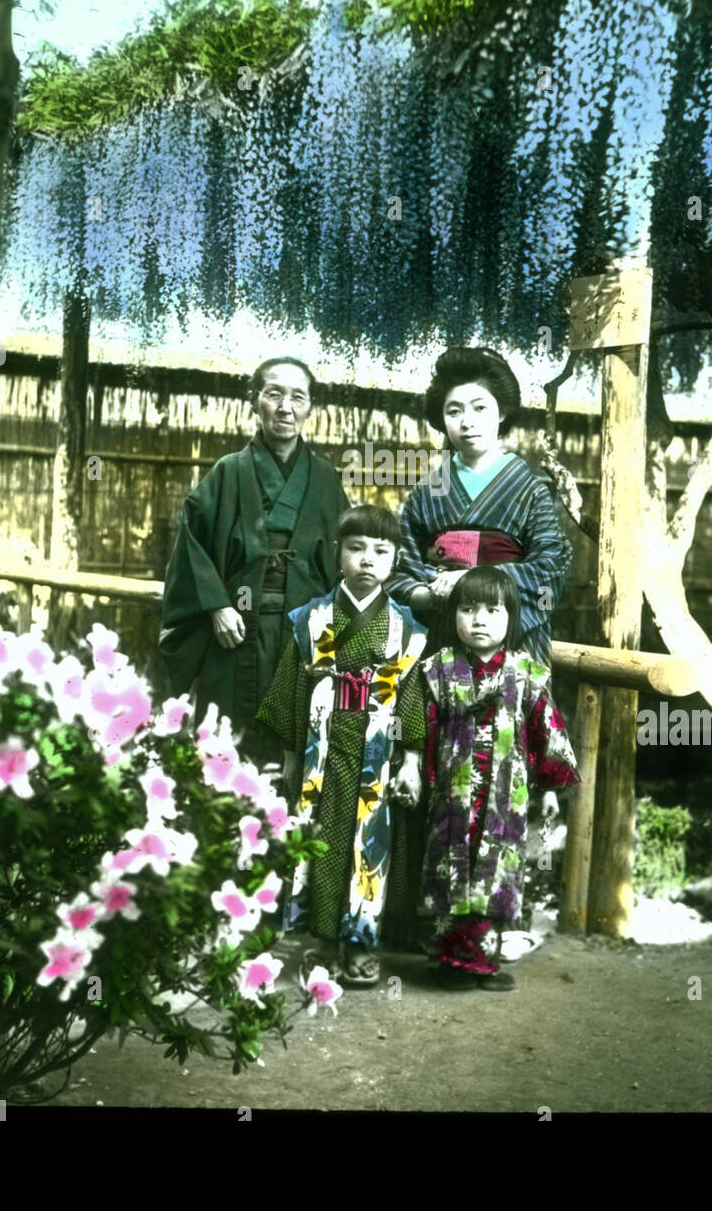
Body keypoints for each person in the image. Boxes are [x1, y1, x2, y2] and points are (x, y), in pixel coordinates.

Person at [384, 346, 573, 947]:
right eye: (454, 410)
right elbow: (400, 568)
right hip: (445, 640)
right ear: (441, 420)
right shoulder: (428, 491)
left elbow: (552, 564)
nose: (467, 420)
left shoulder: (529, 484)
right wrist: (425, 593)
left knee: (506, 776)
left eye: (480, 407)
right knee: (441, 775)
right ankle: (430, 922)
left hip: (511, 640)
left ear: (502, 413)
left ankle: (503, 924)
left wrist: (471, 584)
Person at [255, 505, 427, 986]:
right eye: (356, 548)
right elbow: (292, 688)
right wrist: (291, 757)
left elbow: (410, 695)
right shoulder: (312, 619)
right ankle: (321, 943)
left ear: (394, 560)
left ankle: (359, 945)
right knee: (322, 845)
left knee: (368, 850)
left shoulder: (404, 629)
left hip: (375, 753)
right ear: (337, 555)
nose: (367, 560)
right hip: (321, 749)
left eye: (380, 551)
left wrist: (411, 758)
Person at [160, 358, 349, 785]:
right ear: (255, 403)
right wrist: (215, 606)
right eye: (274, 394)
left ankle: (286, 844)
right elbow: (191, 546)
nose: (286, 407)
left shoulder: (323, 478)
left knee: (296, 753)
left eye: (297, 397)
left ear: (309, 408)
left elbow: (347, 554)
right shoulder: (229, 471)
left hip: (302, 634)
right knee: (225, 750)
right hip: (235, 630)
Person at [420, 565, 579, 991]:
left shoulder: (526, 673)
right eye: (468, 609)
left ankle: (483, 958)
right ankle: (449, 959)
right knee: (452, 866)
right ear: (453, 615)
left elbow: (548, 729)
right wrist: (419, 774)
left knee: (496, 870)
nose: (480, 619)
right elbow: (427, 730)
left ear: (512, 617)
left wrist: (549, 790)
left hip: (505, 794)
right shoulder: (438, 670)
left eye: (493, 609)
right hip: (451, 792)